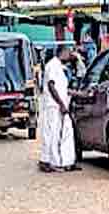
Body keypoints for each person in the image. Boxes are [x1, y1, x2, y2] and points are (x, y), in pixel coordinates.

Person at [38, 45, 81, 173]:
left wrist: (79, 94)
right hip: (53, 106)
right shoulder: (52, 66)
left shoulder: (60, 67)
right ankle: (47, 161)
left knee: (65, 133)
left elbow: (62, 89)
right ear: (62, 53)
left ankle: (65, 161)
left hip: (60, 105)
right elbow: (51, 86)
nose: (70, 55)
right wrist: (61, 104)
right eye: (69, 52)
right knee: (52, 134)